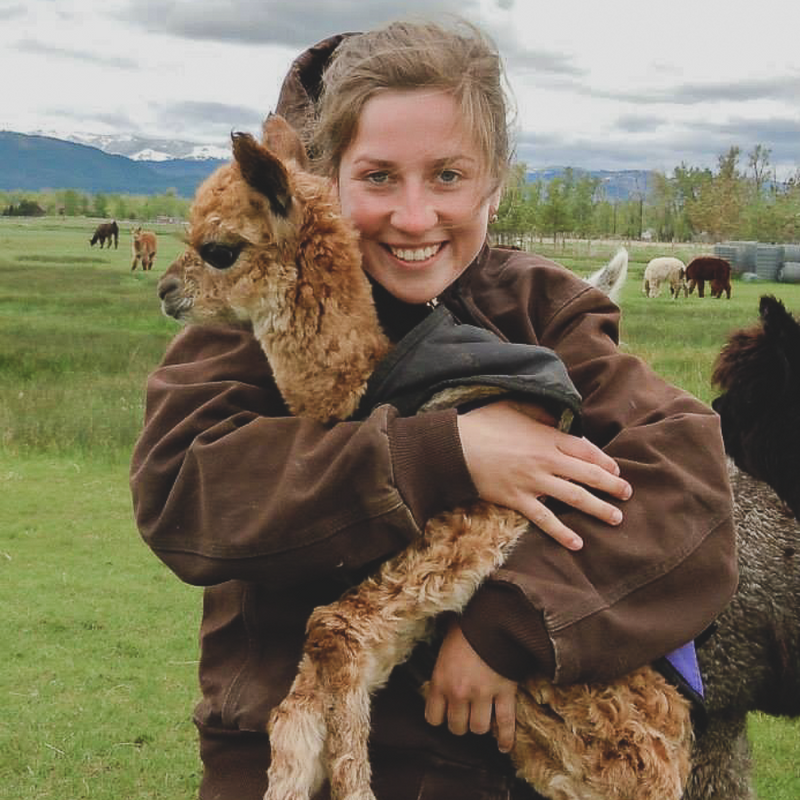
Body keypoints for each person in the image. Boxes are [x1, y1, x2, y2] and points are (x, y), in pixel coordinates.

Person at [130, 18, 737, 800]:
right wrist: (447, 453)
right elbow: (187, 491)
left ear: (494, 181)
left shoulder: (541, 311)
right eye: (379, 177)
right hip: (286, 766)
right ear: (327, 177)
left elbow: (688, 488)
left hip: (489, 772)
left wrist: (509, 629)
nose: (415, 218)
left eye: (448, 176)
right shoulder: (254, 312)